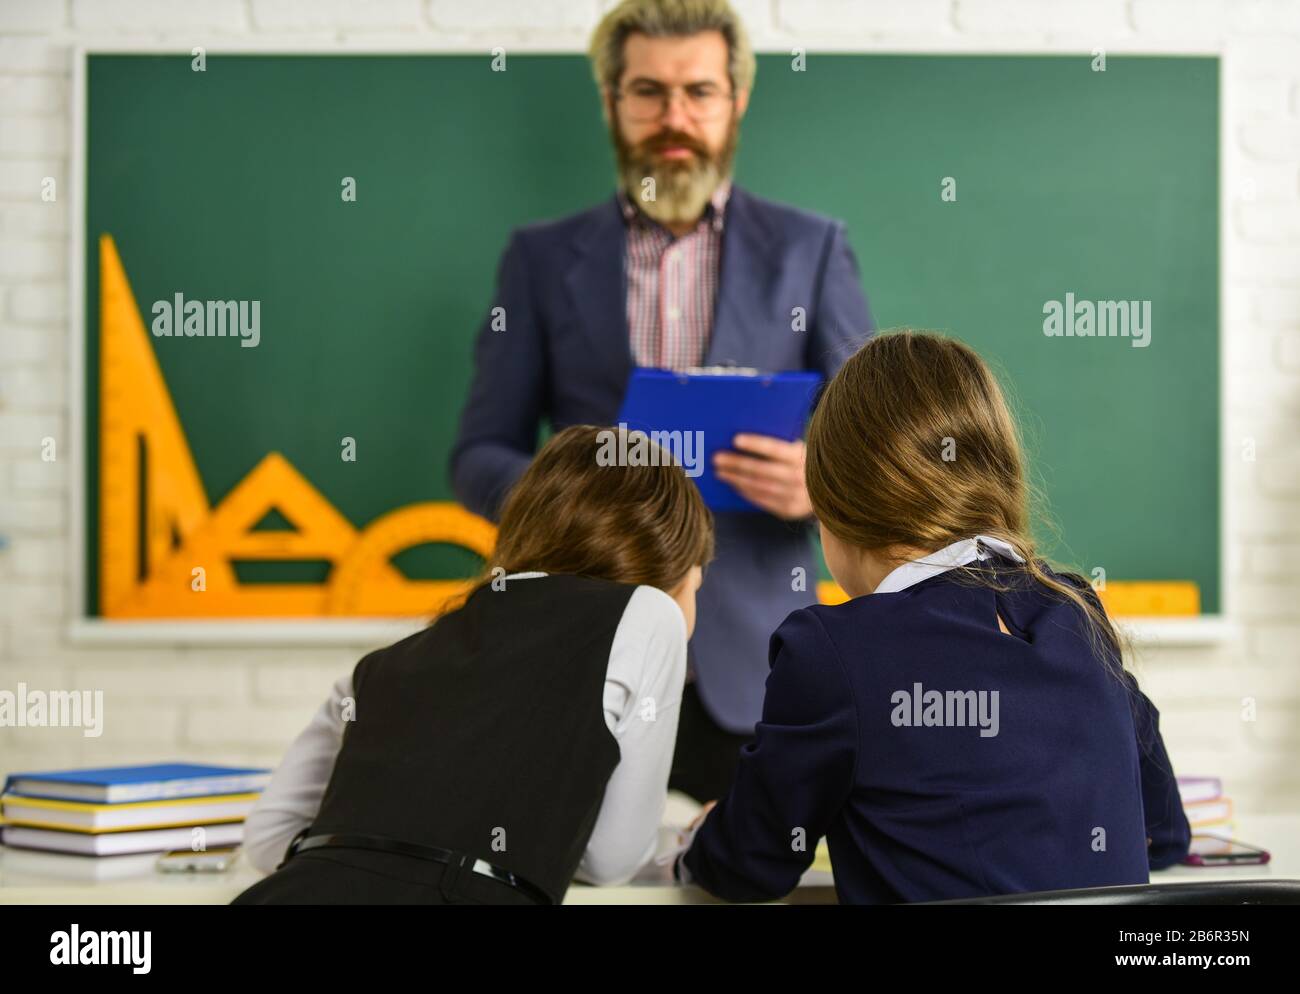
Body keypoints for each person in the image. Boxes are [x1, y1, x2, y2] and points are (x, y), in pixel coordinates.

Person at [450, 0, 873, 803]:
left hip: (756, 675)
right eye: (648, 91)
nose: (674, 118)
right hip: (578, 658)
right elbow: (478, 454)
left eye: (699, 92)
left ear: (736, 100)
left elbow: (878, 443)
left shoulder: (812, 251)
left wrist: (822, 484)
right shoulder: (538, 260)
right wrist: (572, 500)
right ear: (611, 101)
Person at [677, 331, 1192, 903]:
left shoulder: (833, 650)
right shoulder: (1075, 611)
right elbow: (1164, 832)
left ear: (834, 505)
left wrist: (702, 840)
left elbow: (749, 866)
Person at [233, 425, 713, 905]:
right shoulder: (650, 614)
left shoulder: (377, 669)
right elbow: (611, 861)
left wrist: (371, 854)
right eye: (697, 583)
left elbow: (268, 835)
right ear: (669, 572)